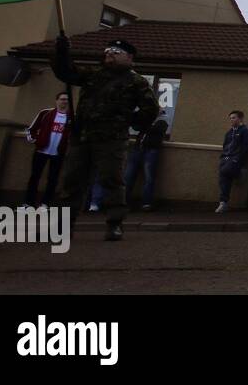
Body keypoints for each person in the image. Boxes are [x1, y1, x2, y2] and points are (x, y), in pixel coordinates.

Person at [52, 36, 159, 241]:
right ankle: (62, 227)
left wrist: (128, 121)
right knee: (71, 182)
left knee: (111, 180)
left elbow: (151, 109)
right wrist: (62, 52)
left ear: (129, 58)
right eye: (108, 50)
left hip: (111, 139)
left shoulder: (135, 81)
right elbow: (66, 72)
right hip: (83, 136)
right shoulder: (93, 74)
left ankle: (114, 223)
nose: (110, 53)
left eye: (116, 52)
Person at [24, 92, 71, 207]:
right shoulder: (46, 113)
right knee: (35, 176)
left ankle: (45, 203)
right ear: (57, 100)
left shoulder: (71, 117)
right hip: (41, 151)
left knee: (53, 179)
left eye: (66, 100)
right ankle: (28, 202)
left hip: (58, 153)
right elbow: (31, 129)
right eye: (62, 99)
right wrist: (36, 141)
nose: (64, 101)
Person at [124, 118, 168, 211]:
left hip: (151, 150)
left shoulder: (162, 120)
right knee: (128, 176)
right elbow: (136, 127)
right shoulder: (147, 120)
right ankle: (124, 201)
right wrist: (144, 125)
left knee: (149, 177)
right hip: (138, 149)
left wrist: (145, 126)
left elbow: (159, 128)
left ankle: (146, 202)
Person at [216, 110, 248, 213]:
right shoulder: (229, 132)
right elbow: (225, 145)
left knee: (224, 172)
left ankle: (239, 174)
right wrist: (224, 157)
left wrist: (238, 158)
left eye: (234, 117)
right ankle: (223, 202)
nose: (231, 120)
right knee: (224, 179)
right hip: (226, 158)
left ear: (240, 119)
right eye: (230, 118)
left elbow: (247, 146)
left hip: (236, 159)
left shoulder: (244, 131)